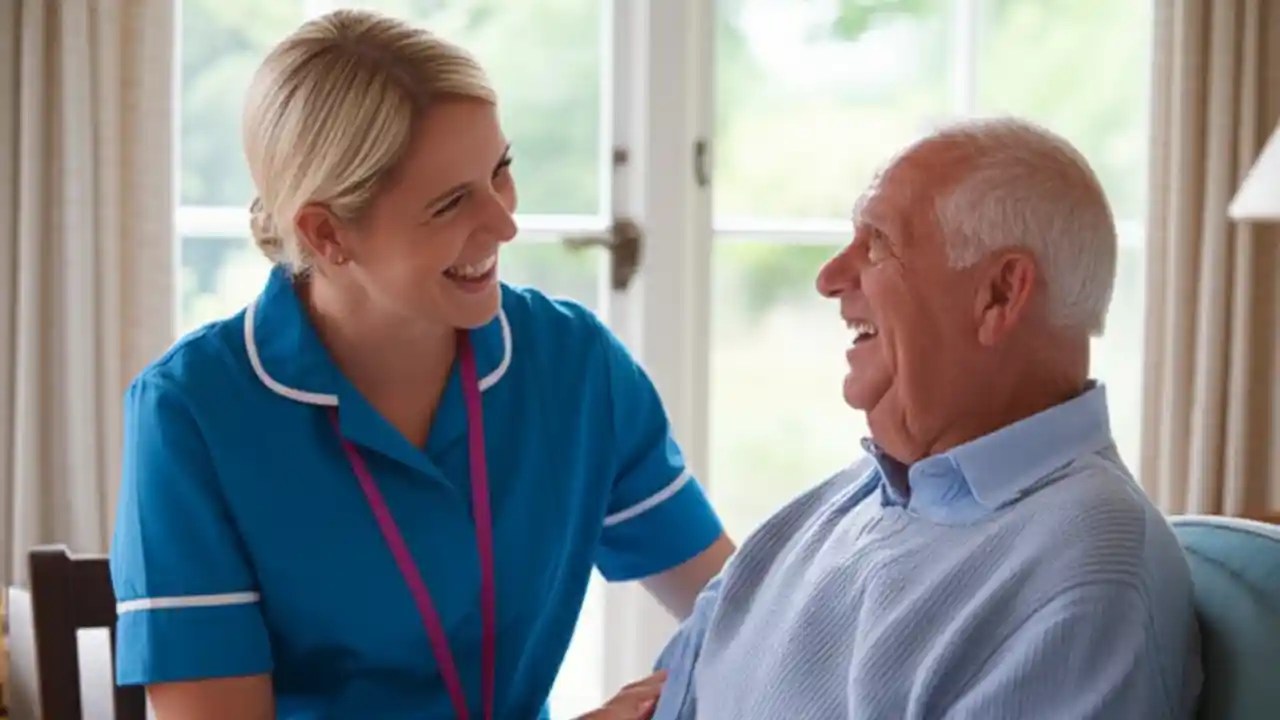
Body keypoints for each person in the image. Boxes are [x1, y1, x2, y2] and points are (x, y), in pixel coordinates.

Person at [108, 9, 732, 720]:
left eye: (500, 171)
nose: (504, 223)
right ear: (326, 232)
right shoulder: (191, 415)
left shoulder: (575, 368)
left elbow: (745, 610)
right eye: (449, 203)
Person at [651, 118, 1202, 719]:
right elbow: (661, 698)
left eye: (878, 243)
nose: (830, 278)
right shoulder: (841, 503)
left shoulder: (1088, 575)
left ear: (1000, 294)